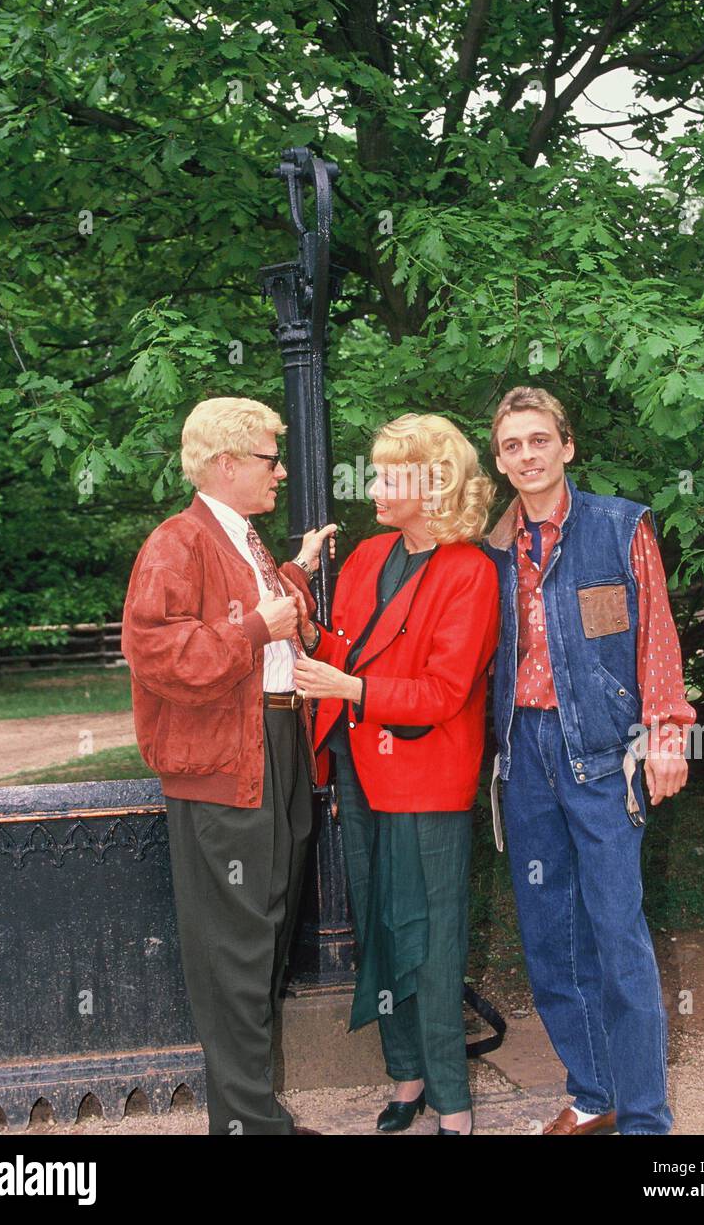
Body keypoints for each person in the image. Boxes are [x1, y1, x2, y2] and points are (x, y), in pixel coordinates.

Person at [483, 386, 695, 1137]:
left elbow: (655, 638)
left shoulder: (618, 525)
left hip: (603, 757)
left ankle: (644, 1120)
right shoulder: (492, 548)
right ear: (499, 460)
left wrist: (666, 732)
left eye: (539, 440)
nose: (527, 455)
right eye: (511, 446)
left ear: (566, 447)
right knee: (548, 939)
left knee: (617, 936)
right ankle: (592, 1091)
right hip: (524, 759)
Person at [121, 396, 335, 1136]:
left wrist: (294, 573)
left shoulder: (243, 540)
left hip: (275, 752)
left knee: (265, 938)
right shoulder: (176, 542)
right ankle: (248, 1126)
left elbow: (269, 632)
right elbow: (158, 655)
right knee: (237, 947)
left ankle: (249, 1113)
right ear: (226, 463)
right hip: (224, 769)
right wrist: (254, 623)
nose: (281, 471)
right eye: (270, 458)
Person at [293, 413, 500, 1136]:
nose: (373, 486)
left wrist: (347, 690)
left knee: (431, 939)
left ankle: (453, 1101)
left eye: (390, 474)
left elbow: (445, 694)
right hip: (359, 768)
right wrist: (293, 610)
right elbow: (339, 648)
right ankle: (405, 1077)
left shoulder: (469, 570)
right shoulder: (365, 556)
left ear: (434, 483)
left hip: (425, 777)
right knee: (381, 930)